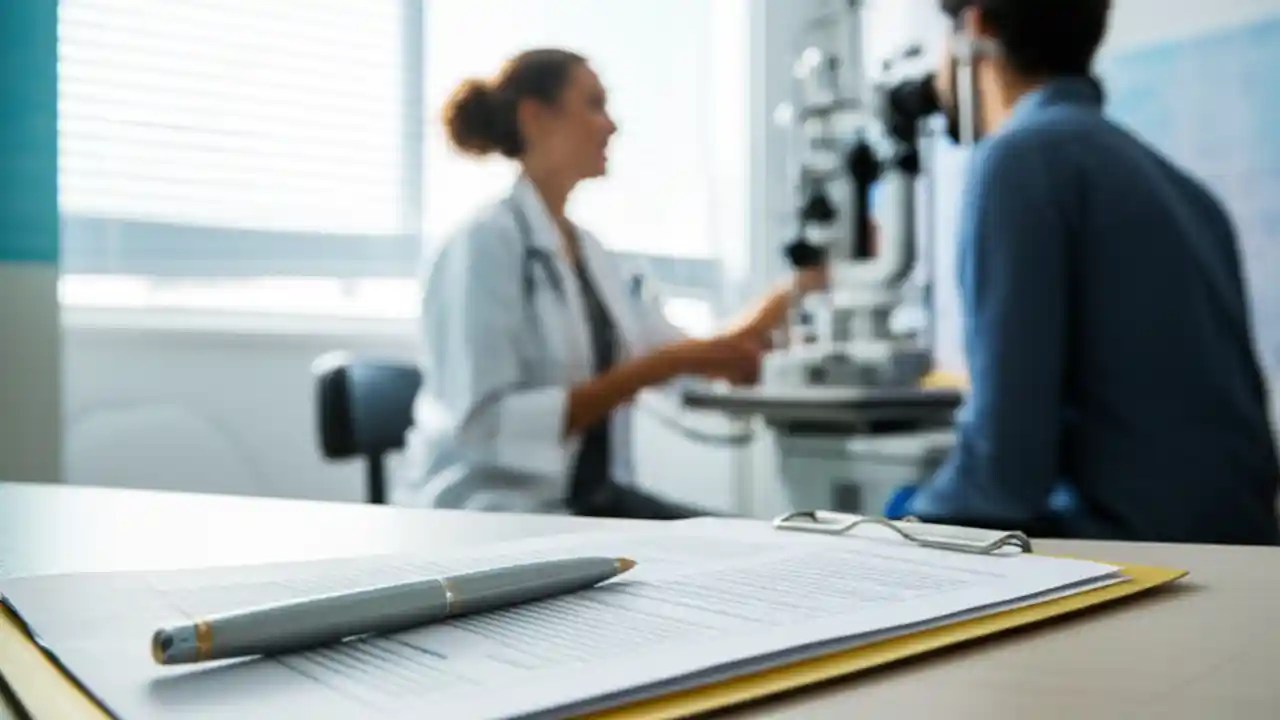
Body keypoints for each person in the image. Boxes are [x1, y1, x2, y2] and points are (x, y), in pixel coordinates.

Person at [907, 0, 1280, 543]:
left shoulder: (1018, 160)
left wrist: (889, 532)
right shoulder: (1185, 191)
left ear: (975, 26)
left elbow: (1000, 478)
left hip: (1127, 564)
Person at [397, 49, 822, 518]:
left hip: (589, 502)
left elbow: (691, 354)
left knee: (749, 543)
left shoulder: (592, 255)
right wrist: (654, 369)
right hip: (495, 511)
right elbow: (484, 424)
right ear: (535, 117)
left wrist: (801, 286)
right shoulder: (481, 246)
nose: (611, 126)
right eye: (594, 105)